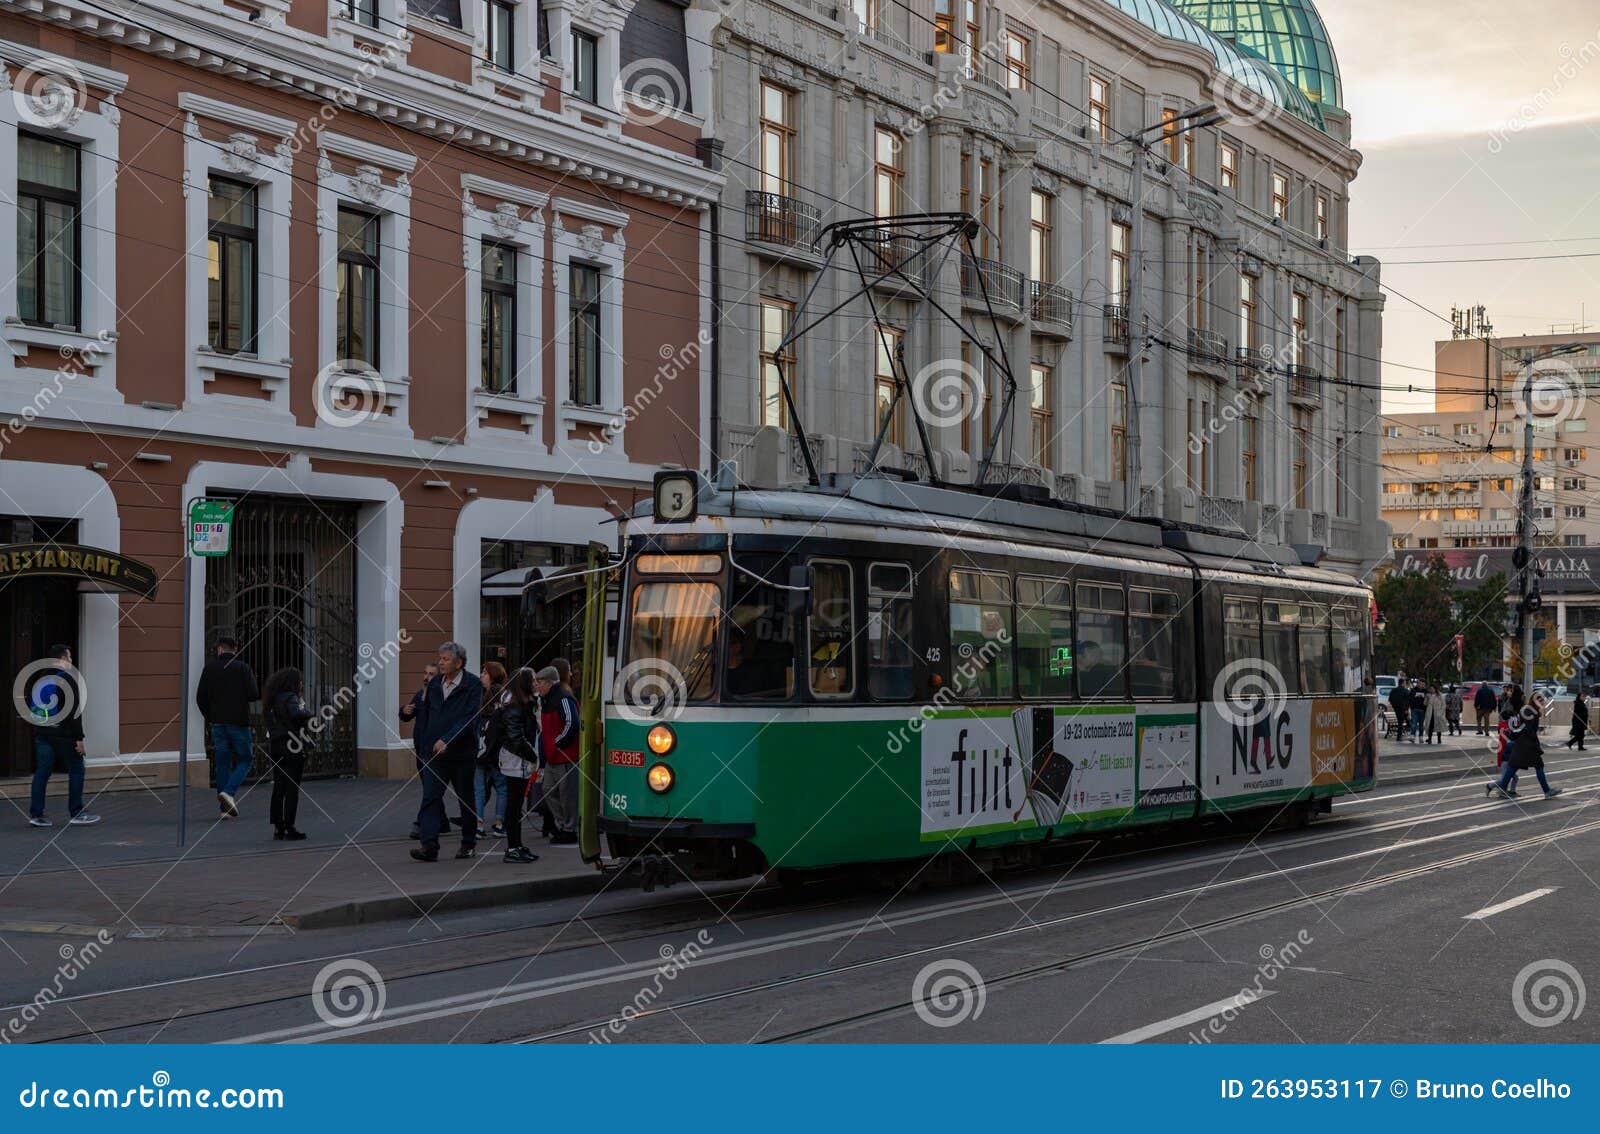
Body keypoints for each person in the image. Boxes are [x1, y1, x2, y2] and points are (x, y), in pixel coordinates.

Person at [411, 642, 484, 862]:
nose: (441, 662)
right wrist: (426, 745)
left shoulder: (472, 685)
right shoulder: (434, 685)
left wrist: (447, 739)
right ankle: (429, 846)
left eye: (445, 659)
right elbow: (428, 716)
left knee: (465, 798)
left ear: (459, 663)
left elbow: (470, 718)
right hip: (434, 754)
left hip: (462, 754)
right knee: (430, 798)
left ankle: (468, 843)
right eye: (440, 658)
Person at [26, 644, 98, 828]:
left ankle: (36, 814)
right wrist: (79, 739)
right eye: (69, 658)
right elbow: (73, 713)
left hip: (43, 733)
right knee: (77, 769)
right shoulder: (67, 679)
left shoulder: (41, 678)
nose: (71, 661)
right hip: (63, 734)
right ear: (61, 660)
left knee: (42, 772)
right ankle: (76, 812)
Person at [195, 634, 259, 819]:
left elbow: (200, 697)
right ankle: (229, 793)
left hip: (218, 724)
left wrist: (211, 716)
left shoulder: (209, 668)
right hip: (239, 723)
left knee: (222, 763)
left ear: (220, 649)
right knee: (245, 759)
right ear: (235, 650)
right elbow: (254, 694)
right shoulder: (243, 668)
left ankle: (225, 810)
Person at [484, 668, 540, 864]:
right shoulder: (515, 706)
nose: (536, 682)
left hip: (516, 759)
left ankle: (516, 845)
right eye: (533, 680)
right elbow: (516, 738)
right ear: (524, 683)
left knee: (515, 806)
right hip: (517, 760)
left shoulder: (516, 702)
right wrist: (533, 756)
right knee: (514, 806)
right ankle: (513, 848)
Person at [262, 667, 313, 841]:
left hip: (275, 746)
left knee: (279, 787)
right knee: (292, 787)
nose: (301, 684)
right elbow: (297, 715)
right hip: (291, 746)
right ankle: (290, 826)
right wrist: (307, 712)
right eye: (299, 681)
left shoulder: (271, 699)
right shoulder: (290, 698)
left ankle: (278, 827)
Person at [402, 662, 449, 840]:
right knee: (430, 788)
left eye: (430, 674)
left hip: (436, 750)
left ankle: (422, 823)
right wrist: (404, 711)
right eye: (425, 673)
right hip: (421, 749)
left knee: (431, 789)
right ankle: (442, 822)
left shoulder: (443, 697)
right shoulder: (421, 694)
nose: (425, 677)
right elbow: (407, 715)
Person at [535, 664, 581, 845]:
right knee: (548, 791)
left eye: (539, 682)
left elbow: (572, 723)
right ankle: (564, 825)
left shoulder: (564, 699)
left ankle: (569, 829)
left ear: (548, 683)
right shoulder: (547, 700)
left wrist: (557, 744)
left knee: (567, 795)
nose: (537, 686)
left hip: (565, 757)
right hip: (553, 757)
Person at [1491, 694, 1562, 799]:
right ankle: (1547, 791)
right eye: (1540, 700)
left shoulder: (1531, 711)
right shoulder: (1529, 712)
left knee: (1513, 766)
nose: (1543, 702)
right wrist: (1533, 740)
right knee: (1537, 766)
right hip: (1527, 743)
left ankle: (1500, 788)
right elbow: (1526, 728)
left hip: (1523, 743)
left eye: (1543, 700)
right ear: (1535, 701)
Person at [475, 661, 509, 837]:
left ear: (493, 675)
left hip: (482, 750)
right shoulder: (503, 696)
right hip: (496, 751)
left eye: (485, 672)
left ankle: (479, 825)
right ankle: (499, 823)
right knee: (502, 788)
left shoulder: (484, 695)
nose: (482, 675)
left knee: (479, 789)